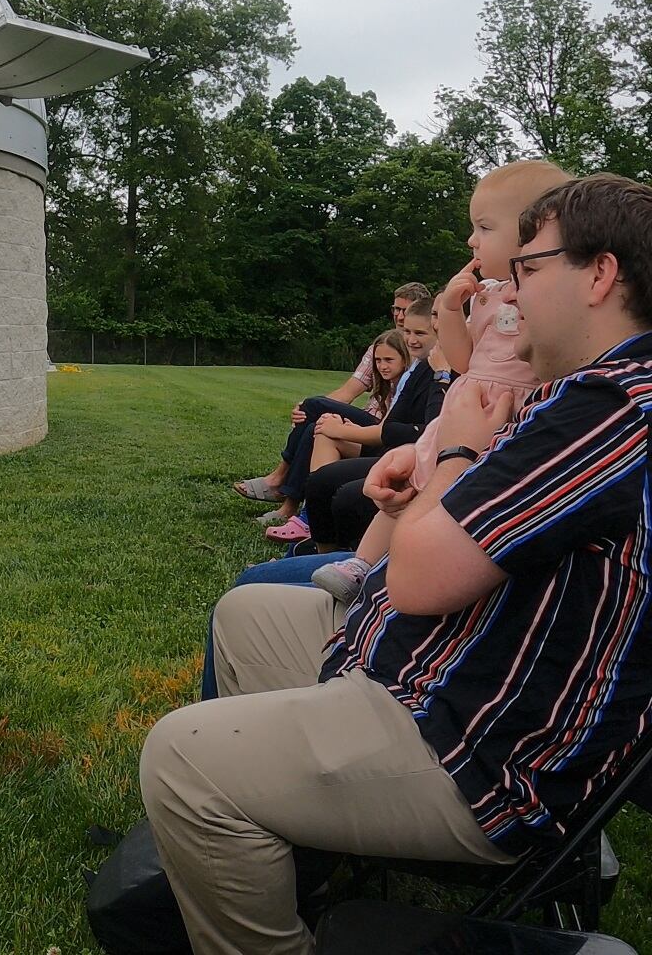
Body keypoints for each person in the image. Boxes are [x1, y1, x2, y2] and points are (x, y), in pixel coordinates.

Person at [141, 173, 652, 955]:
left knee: (182, 759)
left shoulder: (615, 412)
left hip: (479, 753)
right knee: (250, 617)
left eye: (531, 267)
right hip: (438, 674)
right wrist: (433, 463)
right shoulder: (583, 395)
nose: (511, 289)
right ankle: (294, 846)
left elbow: (417, 579)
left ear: (601, 274)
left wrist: (451, 453)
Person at [312, 159, 571, 600]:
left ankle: (406, 571)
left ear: (533, 232)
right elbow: (461, 361)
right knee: (412, 483)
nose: (472, 240)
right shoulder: (485, 297)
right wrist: (451, 312)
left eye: (484, 228)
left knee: (449, 498)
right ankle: (361, 563)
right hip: (468, 404)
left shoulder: (550, 299)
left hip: (509, 414)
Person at [233, 282, 431, 511]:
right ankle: (291, 507)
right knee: (315, 421)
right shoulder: (383, 343)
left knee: (317, 412)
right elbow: (348, 391)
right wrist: (311, 409)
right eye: (395, 309)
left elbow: (395, 424)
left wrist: (325, 414)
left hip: (381, 428)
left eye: (405, 311)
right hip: (370, 421)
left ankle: (280, 481)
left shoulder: (419, 355)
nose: (399, 316)